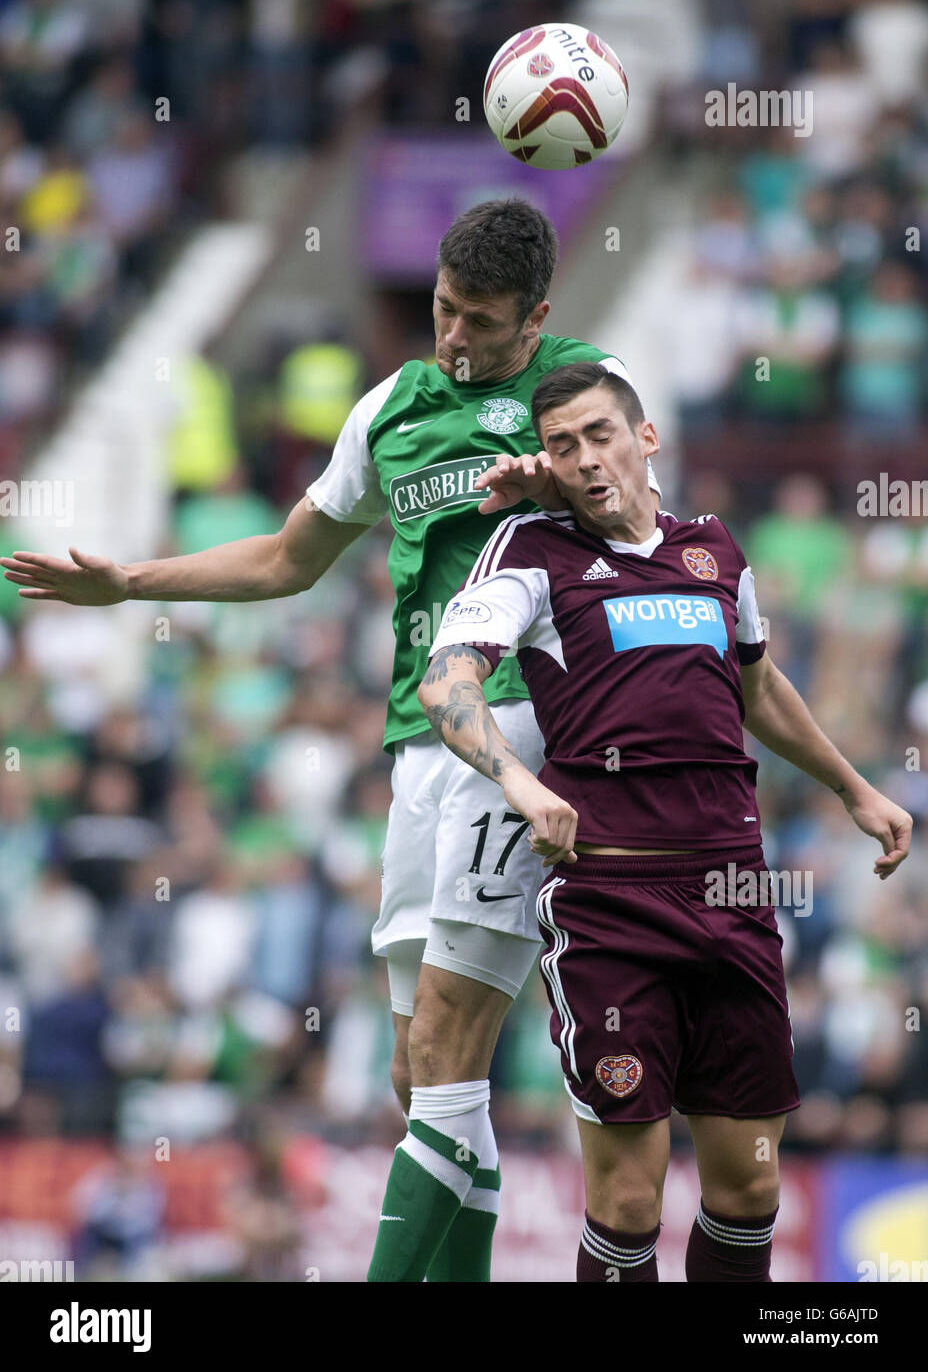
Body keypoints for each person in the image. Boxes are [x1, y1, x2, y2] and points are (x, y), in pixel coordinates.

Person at [2, 199, 660, 1283]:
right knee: (418, 1080)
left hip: (524, 736)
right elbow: (285, 558)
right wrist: (128, 583)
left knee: (451, 1061)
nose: (454, 339)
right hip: (418, 746)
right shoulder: (393, 408)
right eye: (445, 311)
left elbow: (647, 528)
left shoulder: (583, 394)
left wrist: (567, 489)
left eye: (481, 323)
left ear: (535, 318)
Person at [417, 360, 912, 1282]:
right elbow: (445, 680)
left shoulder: (714, 548)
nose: (585, 459)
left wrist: (853, 786)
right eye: (561, 446)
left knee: (748, 1191)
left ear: (647, 438)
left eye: (601, 434)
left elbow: (756, 685)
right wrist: (523, 786)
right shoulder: (532, 551)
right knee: (629, 1202)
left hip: (733, 888)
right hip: (610, 902)